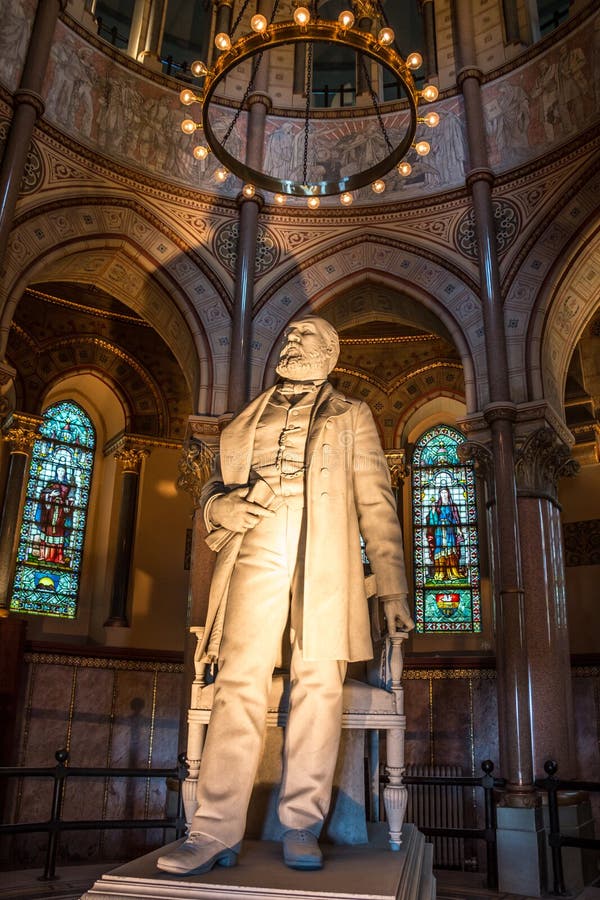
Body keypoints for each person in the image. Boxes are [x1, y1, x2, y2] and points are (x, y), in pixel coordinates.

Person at [157, 316, 414, 876]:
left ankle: (302, 823)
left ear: (331, 354)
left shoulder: (354, 414)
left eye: (306, 337)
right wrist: (215, 508)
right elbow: (216, 485)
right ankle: (212, 829)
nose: (292, 342)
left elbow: (376, 504)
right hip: (258, 541)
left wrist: (392, 586)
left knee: (319, 683)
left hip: (329, 554)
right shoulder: (249, 415)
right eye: (290, 335)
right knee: (238, 677)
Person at [34, 464, 74, 564]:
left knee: (59, 533)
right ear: (56, 471)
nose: (60, 472)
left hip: (61, 512)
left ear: (65, 472)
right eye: (59, 470)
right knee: (48, 530)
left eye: (62, 471)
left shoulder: (68, 486)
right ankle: (43, 555)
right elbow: (43, 494)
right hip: (49, 511)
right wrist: (50, 495)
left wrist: (69, 501)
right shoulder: (50, 483)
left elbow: (70, 499)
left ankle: (58, 558)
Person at [426, 486, 464, 582]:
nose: (444, 494)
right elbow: (432, 522)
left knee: (451, 550)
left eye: (445, 492)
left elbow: (456, 519)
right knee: (440, 551)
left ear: (448, 494)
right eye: (442, 493)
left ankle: (452, 573)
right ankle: (441, 574)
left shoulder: (453, 506)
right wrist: (433, 511)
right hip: (439, 531)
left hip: (450, 530)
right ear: (440, 494)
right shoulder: (437, 506)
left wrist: (458, 529)